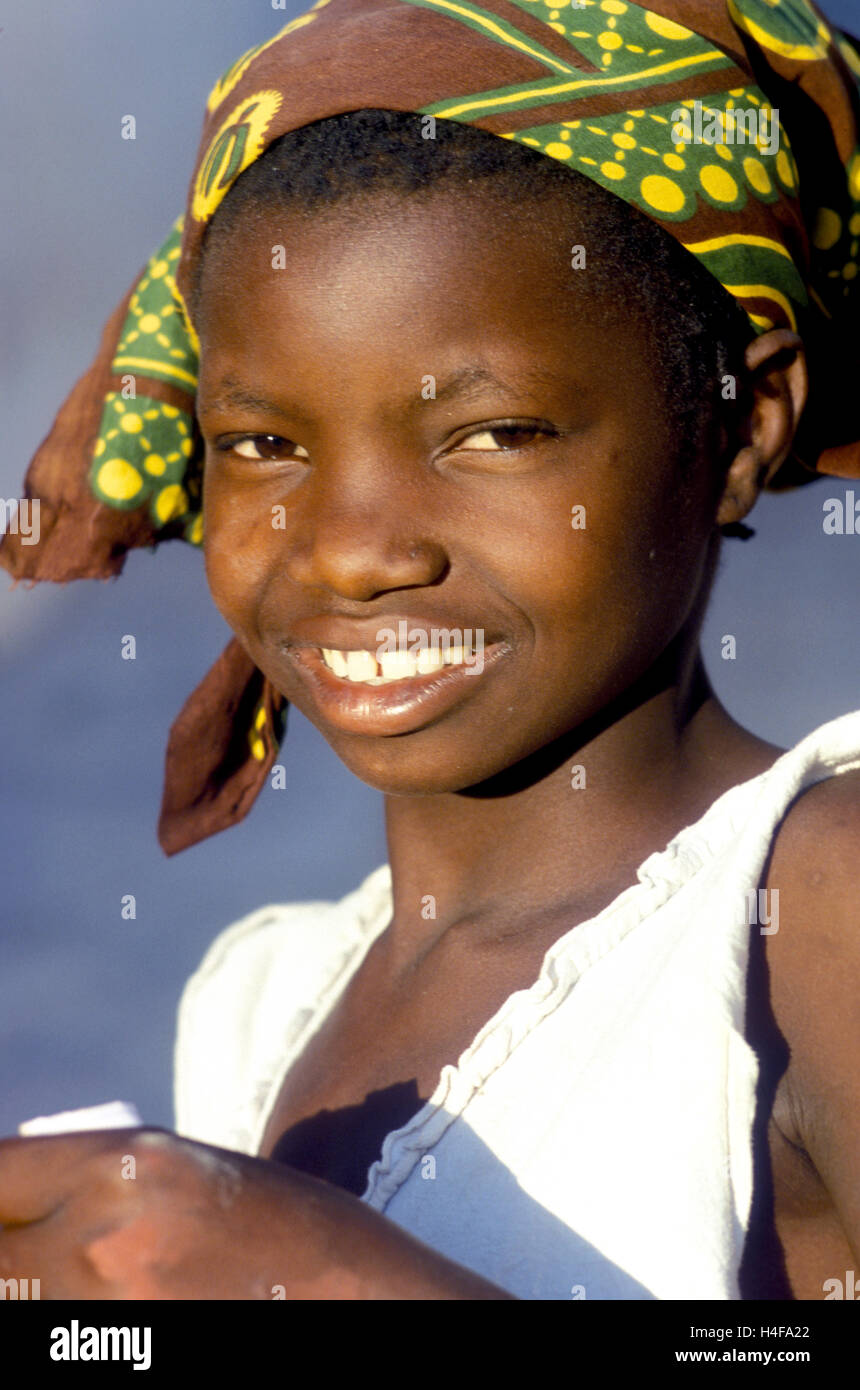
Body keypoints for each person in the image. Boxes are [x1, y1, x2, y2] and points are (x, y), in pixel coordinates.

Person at [1, 0, 859, 1301]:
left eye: (495, 434)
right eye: (265, 445)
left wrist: (322, 1273)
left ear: (743, 427)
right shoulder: (265, 1000)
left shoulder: (808, 908)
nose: (354, 551)